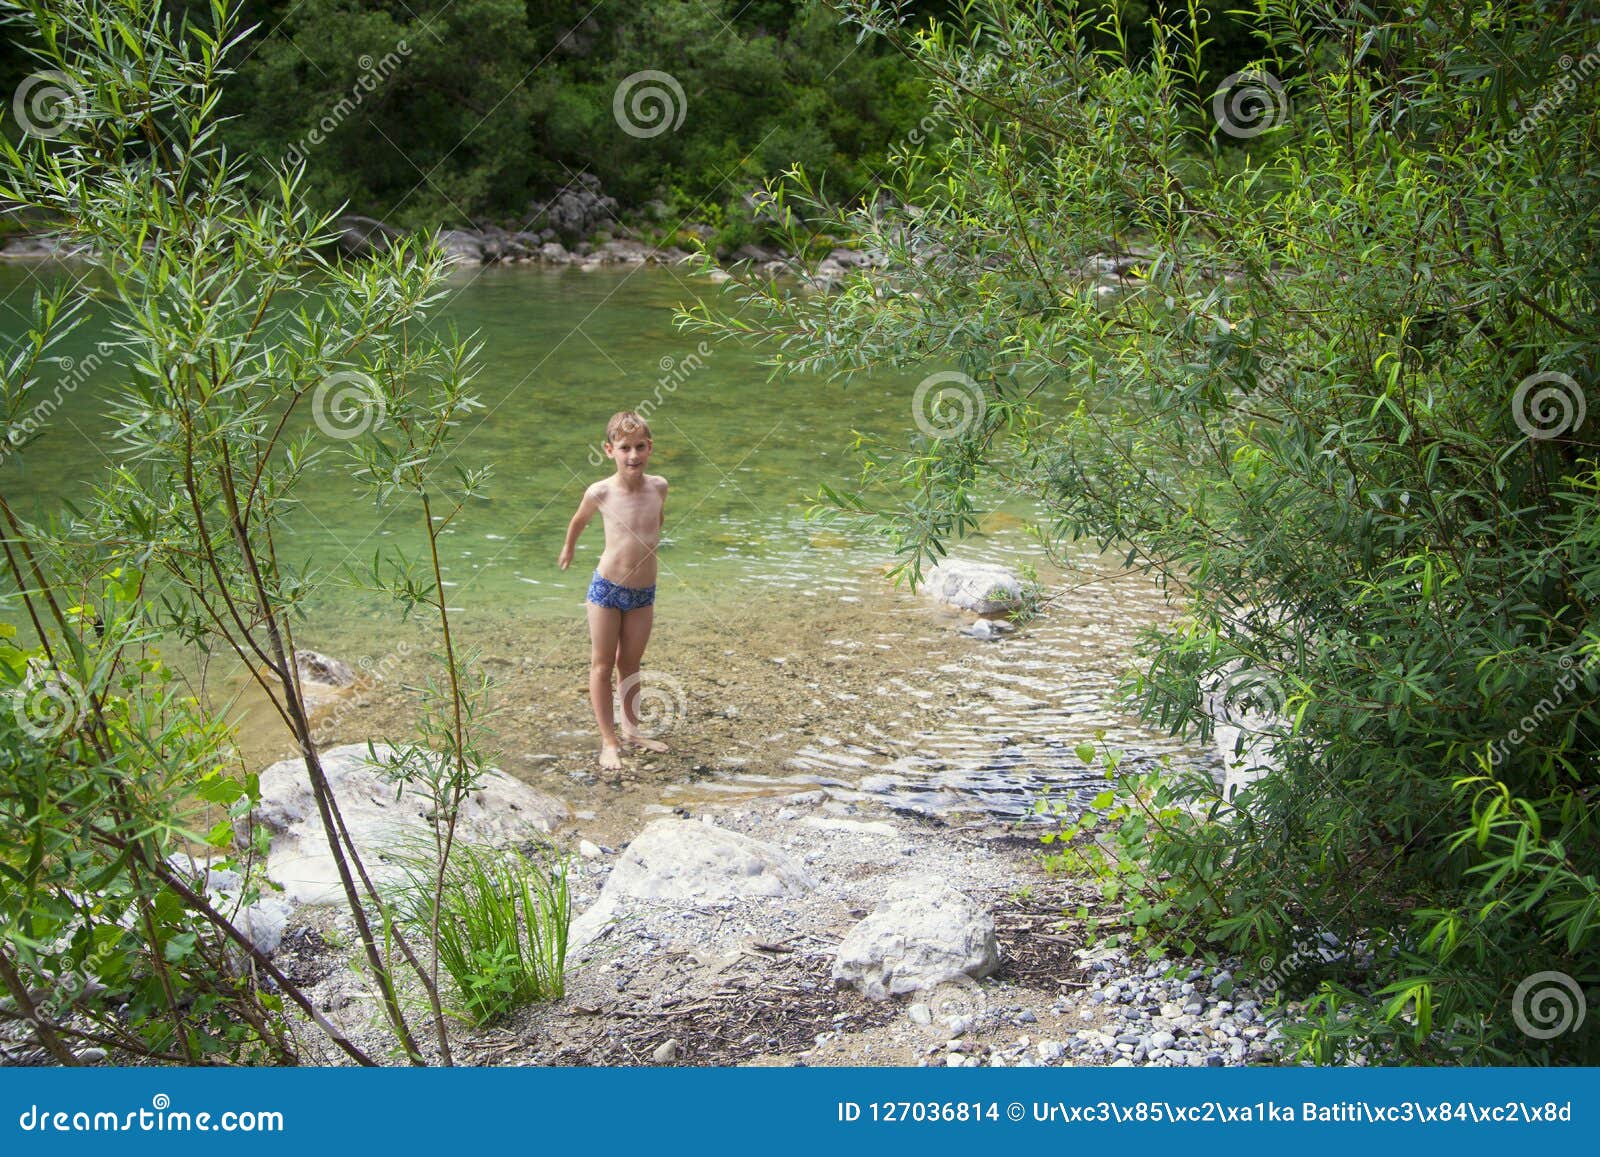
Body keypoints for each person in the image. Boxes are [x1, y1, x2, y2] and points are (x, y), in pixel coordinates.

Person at [558, 411, 670, 770]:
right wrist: (569, 548)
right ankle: (609, 741)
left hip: (643, 594)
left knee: (631, 664)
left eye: (640, 447)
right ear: (609, 450)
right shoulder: (601, 492)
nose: (633, 455)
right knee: (603, 664)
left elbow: (657, 520)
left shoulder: (659, 487)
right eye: (624, 448)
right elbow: (578, 520)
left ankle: (632, 732)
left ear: (650, 447)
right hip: (607, 590)